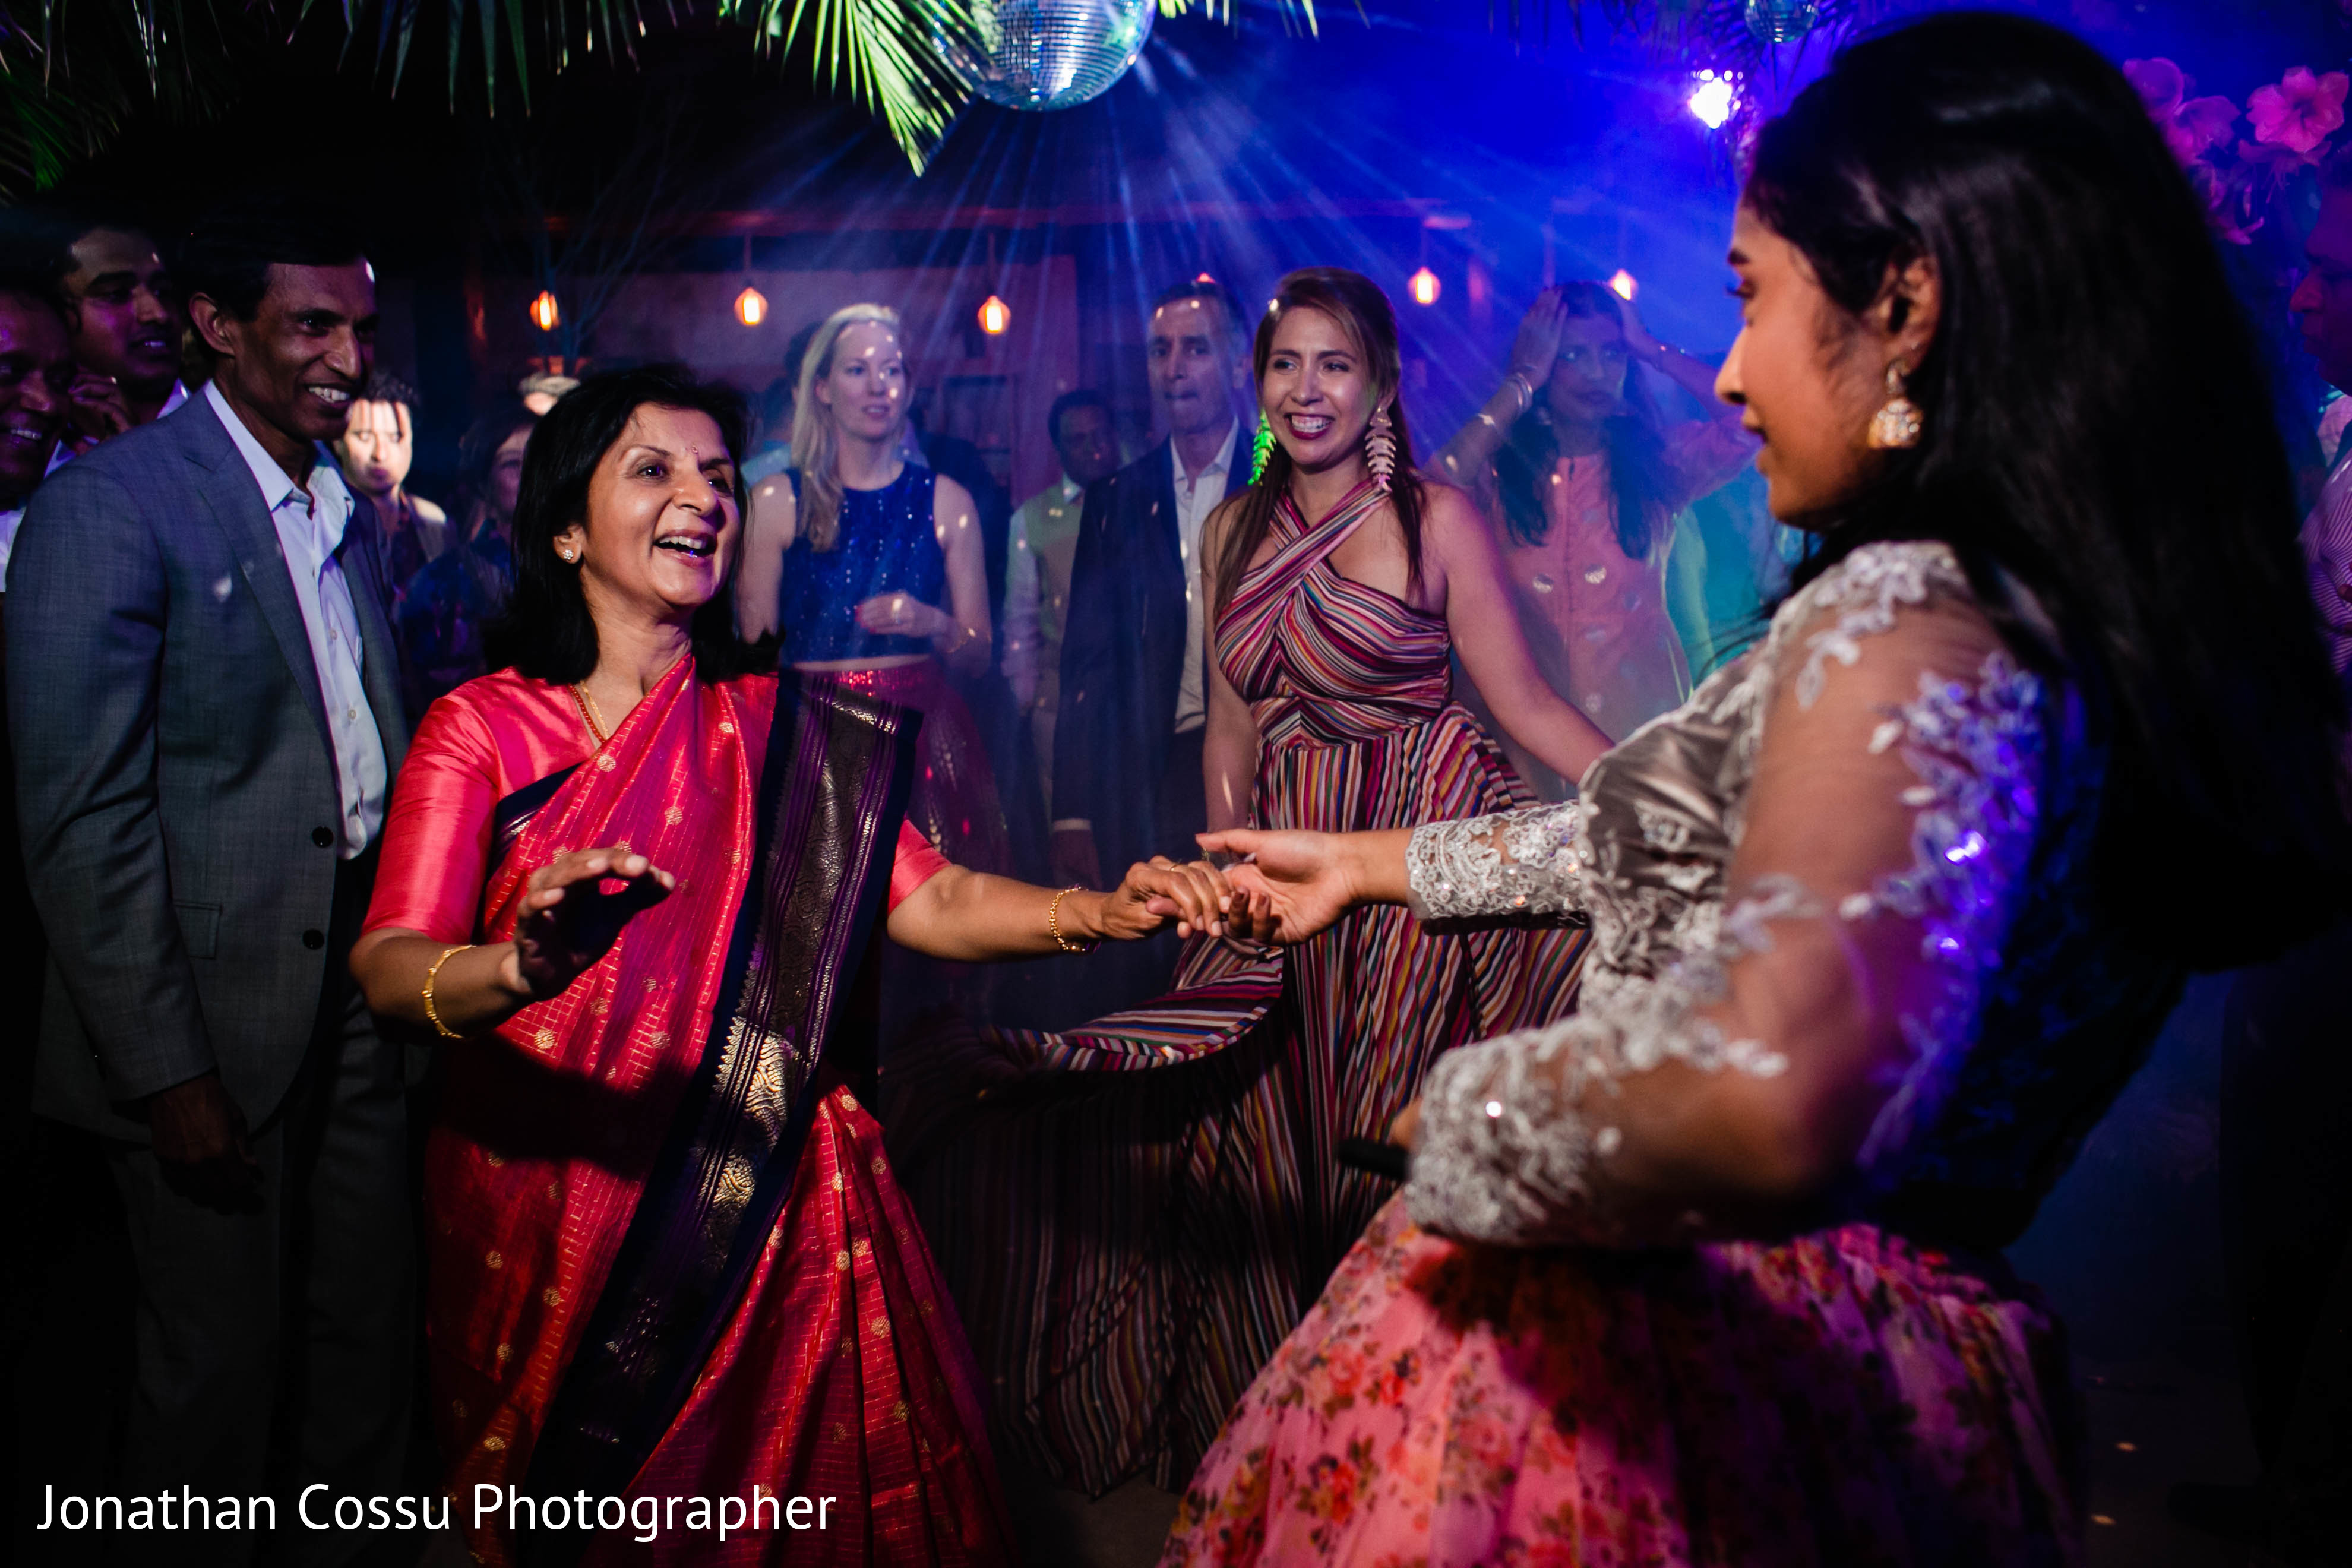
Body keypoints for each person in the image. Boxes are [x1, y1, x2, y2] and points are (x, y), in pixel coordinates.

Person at [1164, 16, 2351, 1564]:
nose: (1722, 376)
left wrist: (1459, 1123)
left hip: (1705, 1357)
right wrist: (1376, 868)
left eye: (1749, 300)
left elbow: (1774, 1100)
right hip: (1917, 1355)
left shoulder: (1912, 617)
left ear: (1905, 306)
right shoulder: (2045, 605)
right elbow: (1657, 822)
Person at [348, 365, 1236, 1567]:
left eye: (718, 475)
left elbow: (940, 898)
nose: (704, 499)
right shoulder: (483, 731)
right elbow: (395, 968)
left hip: (767, 1196)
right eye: (653, 469)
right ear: (563, 526)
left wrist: (1105, 906)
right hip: (550, 1209)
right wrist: (518, 968)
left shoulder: (775, 726)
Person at [9, 195, 410, 1563]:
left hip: (357, 977)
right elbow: (83, 819)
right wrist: (163, 1067)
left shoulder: (338, 494)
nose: (346, 354)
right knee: (215, 1375)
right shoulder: (113, 506)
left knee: (359, 1337)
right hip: (203, 1009)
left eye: (358, 323)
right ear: (216, 323)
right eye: (311, 323)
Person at [2176, 138, 2352, 1559]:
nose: (2305, 291)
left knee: (2302, 1183)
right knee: (2280, 1179)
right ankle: (2294, 1475)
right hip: (2312, 865)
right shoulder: (2339, 438)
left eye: (2327, 272)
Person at [1431, 282, 1756, 786]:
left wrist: (1654, 350)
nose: (1596, 372)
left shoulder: (1657, 463)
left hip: (1640, 728)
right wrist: (1520, 381)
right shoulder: (1498, 473)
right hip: (1517, 746)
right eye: (1572, 355)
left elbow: (1748, 423)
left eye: (1613, 354)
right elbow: (1427, 492)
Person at [736, 303, 1009, 873]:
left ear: (909, 388)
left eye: (892, 369)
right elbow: (752, 665)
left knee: (937, 928)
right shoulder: (775, 503)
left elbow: (981, 657)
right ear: (822, 389)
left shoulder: (948, 502)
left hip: (923, 744)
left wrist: (933, 623)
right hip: (813, 746)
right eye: (858, 369)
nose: (878, 385)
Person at [1002, 387, 1121, 811]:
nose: (1094, 449)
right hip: (1060, 697)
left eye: (1102, 435)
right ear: (1058, 448)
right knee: (1069, 826)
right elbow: (1020, 619)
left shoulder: (1144, 500)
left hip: (1134, 698)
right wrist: (1027, 702)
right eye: (1078, 440)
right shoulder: (1032, 518)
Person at [397, 403, 535, 712]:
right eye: (512, 464)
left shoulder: (574, 560)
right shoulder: (446, 582)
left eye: (541, 458)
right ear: (484, 484)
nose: (532, 473)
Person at [337, 372, 450, 622]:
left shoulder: (434, 522)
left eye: (395, 437)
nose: (381, 453)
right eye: (365, 437)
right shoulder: (328, 522)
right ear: (338, 441)